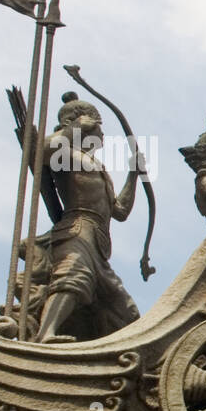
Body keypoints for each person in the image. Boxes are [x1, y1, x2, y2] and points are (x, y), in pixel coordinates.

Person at [34, 92, 141, 342]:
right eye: (99, 126)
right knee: (73, 276)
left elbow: (121, 212)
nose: (103, 135)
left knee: (126, 310)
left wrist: (133, 175)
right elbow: (43, 149)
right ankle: (45, 334)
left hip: (100, 243)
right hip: (76, 230)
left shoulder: (98, 168)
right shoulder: (66, 155)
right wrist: (75, 128)